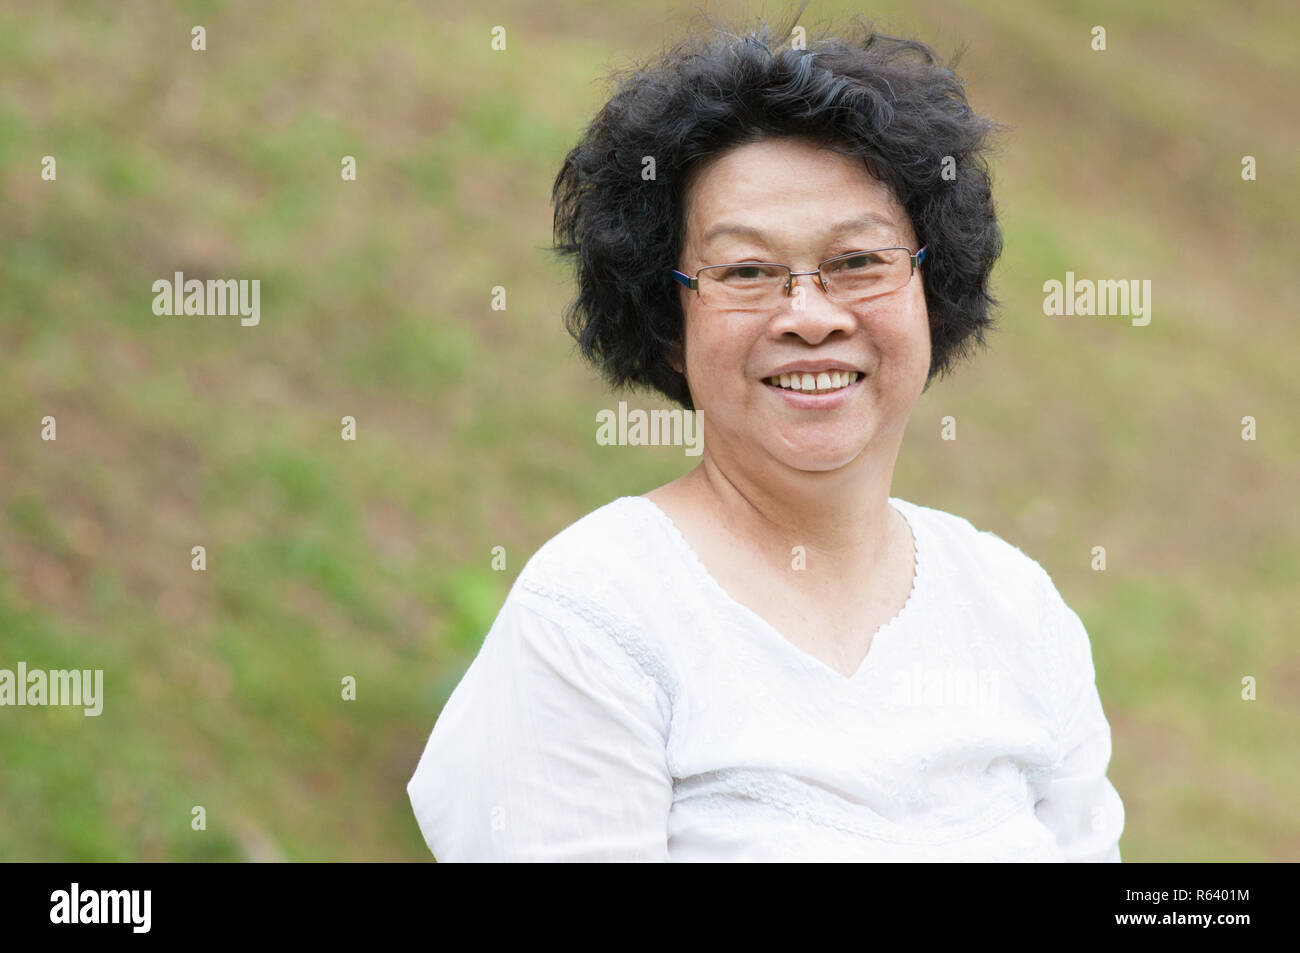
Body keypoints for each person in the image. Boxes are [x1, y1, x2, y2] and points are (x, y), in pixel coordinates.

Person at [408, 8, 1124, 862]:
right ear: (669, 320)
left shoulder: (1020, 613)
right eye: (746, 271)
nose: (811, 316)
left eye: (859, 261)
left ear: (932, 294)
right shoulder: (594, 619)